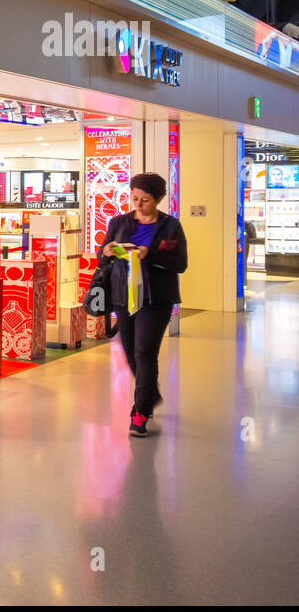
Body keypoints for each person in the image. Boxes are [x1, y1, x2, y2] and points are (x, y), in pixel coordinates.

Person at [97, 172, 188, 437]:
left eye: (145, 200)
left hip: (155, 298)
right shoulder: (119, 223)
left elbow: (180, 264)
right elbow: (103, 259)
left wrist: (150, 255)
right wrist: (106, 252)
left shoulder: (171, 226)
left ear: (159, 199)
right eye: (134, 198)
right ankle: (150, 394)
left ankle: (140, 411)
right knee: (128, 350)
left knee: (144, 352)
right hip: (123, 297)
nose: (138, 204)